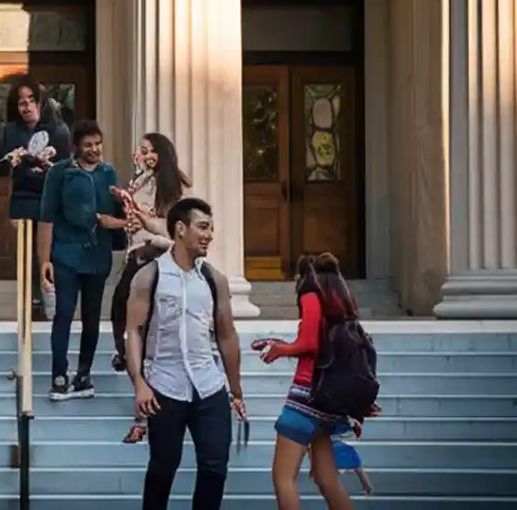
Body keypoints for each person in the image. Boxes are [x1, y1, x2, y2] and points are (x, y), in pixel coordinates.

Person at [124, 197, 246, 510]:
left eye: (211, 228)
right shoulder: (149, 276)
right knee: (163, 468)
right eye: (203, 227)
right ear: (180, 229)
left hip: (209, 386)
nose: (209, 235)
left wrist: (235, 390)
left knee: (215, 467)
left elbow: (227, 335)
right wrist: (139, 383)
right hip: (163, 387)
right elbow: (134, 333)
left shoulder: (214, 279)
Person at [251, 253, 362, 509]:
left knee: (283, 478)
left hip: (306, 397)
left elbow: (309, 344)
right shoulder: (341, 304)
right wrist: (280, 346)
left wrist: (280, 349)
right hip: (327, 401)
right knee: (327, 478)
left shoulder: (312, 296)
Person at [39, 119, 127, 400]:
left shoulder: (108, 173)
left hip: (97, 255)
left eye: (98, 144)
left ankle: (84, 373)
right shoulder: (59, 173)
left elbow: (120, 214)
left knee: (91, 318)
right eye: (88, 144)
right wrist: (45, 260)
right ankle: (59, 374)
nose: (94, 149)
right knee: (63, 313)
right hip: (65, 254)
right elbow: (46, 217)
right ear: (76, 146)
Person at [110, 132, 193, 373]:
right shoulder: (140, 182)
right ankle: (126, 356)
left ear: (162, 154)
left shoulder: (175, 187)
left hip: (159, 254)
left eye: (148, 151)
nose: (143, 156)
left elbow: (175, 228)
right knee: (121, 307)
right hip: (136, 252)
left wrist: (147, 224)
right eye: (141, 151)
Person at [0, 76, 71, 319]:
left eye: (30, 100)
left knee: (48, 253)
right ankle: (30, 302)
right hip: (22, 197)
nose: (26, 106)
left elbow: (68, 168)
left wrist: (48, 163)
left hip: (50, 197)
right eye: (21, 102)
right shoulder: (9, 131)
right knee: (25, 253)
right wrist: (12, 160)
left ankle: (51, 300)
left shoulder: (58, 130)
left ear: (41, 102)